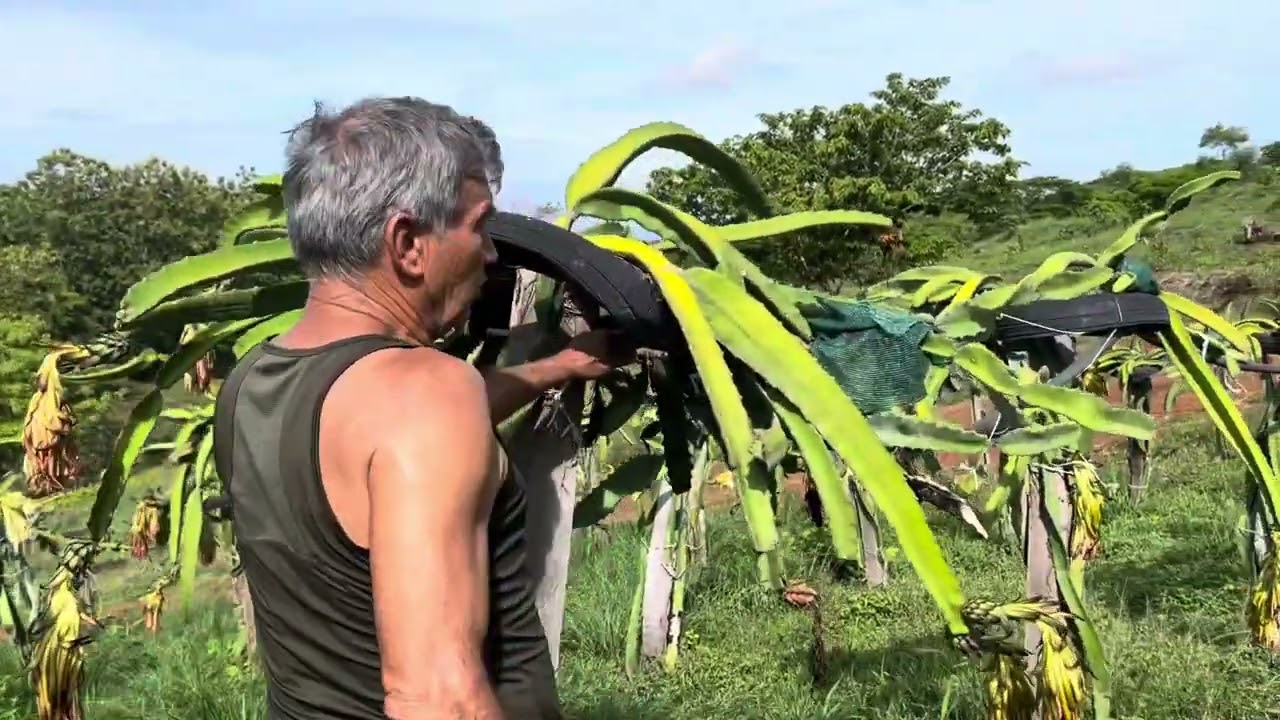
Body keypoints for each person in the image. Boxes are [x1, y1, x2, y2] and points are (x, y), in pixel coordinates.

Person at [212, 97, 628, 720]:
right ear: (407, 243)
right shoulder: (427, 395)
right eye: (478, 225)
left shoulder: (252, 383)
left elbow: (384, 450)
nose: (491, 254)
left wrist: (555, 367)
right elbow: (439, 699)